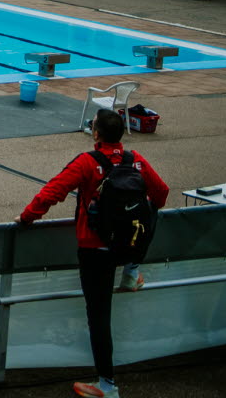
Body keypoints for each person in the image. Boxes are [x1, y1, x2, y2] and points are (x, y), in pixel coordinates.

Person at [18, 108, 169, 398]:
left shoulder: (87, 163)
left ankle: (108, 386)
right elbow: (160, 196)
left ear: (96, 134)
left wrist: (26, 218)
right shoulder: (135, 160)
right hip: (128, 246)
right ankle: (132, 271)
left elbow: (52, 192)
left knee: (99, 317)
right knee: (150, 212)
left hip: (95, 250)